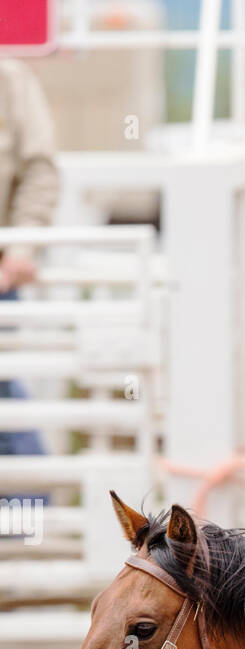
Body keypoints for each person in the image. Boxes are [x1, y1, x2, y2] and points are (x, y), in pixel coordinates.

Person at [0, 59, 60, 456]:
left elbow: (39, 172)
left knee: (5, 403)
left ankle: (31, 512)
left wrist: (18, 251)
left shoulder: (10, 80)